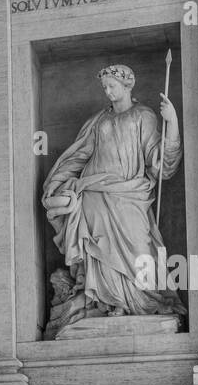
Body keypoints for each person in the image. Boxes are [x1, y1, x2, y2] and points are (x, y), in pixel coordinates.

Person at [42, 64, 183, 319]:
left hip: (130, 194)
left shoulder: (144, 116)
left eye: (112, 86)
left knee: (140, 247)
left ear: (128, 85)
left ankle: (140, 302)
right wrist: (57, 182)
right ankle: (107, 302)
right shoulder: (97, 121)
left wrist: (171, 120)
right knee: (100, 250)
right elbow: (79, 156)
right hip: (94, 192)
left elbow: (160, 163)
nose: (107, 91)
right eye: (104, 87)